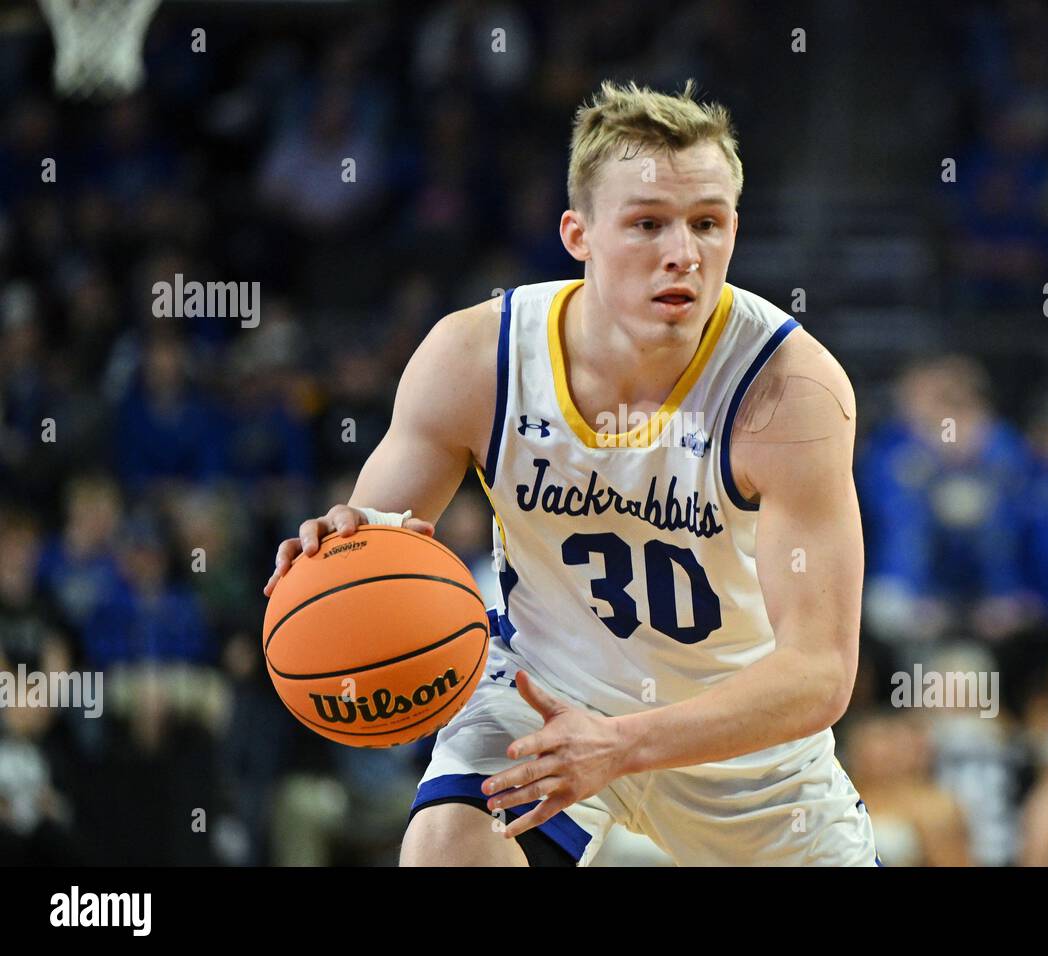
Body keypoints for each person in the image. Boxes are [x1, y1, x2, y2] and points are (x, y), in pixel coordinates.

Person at [263, 79, 877, 867]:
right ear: (577, 233)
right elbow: (373, 542)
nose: (682, 253)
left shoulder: (790, 391)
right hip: (545, 698)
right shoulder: (476, 360)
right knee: (447, 848)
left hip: (738, 744)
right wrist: (336, 547)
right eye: (648, 224)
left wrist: (623, 744)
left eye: (707, 223)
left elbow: (820, 673)